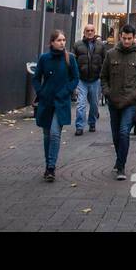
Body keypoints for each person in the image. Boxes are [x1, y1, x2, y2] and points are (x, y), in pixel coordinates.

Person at [99, 24, 136, 180]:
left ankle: (121, 166)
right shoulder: (111, 54)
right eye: (124, 38)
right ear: (120, 36)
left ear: (134, 38)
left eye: (129, 38)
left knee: (123, 132)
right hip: (113, 100)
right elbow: (103, 76)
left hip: (130, 101)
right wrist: (107, 92)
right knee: (115, 135)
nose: (127, 41)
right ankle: (118, 158)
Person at [32, 30, 79, 181]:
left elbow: (75, 78)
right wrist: (41, 92)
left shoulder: (70, 58)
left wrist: (66, 91)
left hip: (61, 101)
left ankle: (51, 166)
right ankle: (48, 165)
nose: (62, 43)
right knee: (47, 135)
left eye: (64, 40)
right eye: (59, 40)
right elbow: (36, 78)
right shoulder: (44, 58)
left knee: (54, 133)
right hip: (46, 101)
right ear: (52, 42)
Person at [72, 25, 104, 136]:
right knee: (81, 103)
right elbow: (73, 62)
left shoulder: (100, 45)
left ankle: (92, 122)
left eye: (92, 31)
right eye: (87, 31)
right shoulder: (77, 45)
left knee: (94, 104)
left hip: (95, 79)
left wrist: (101, 75)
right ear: (84, 32)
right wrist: (75, 75)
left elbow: (104, 61)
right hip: (82, 79)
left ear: (95, 32)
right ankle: (79, 126)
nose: (89, 32)